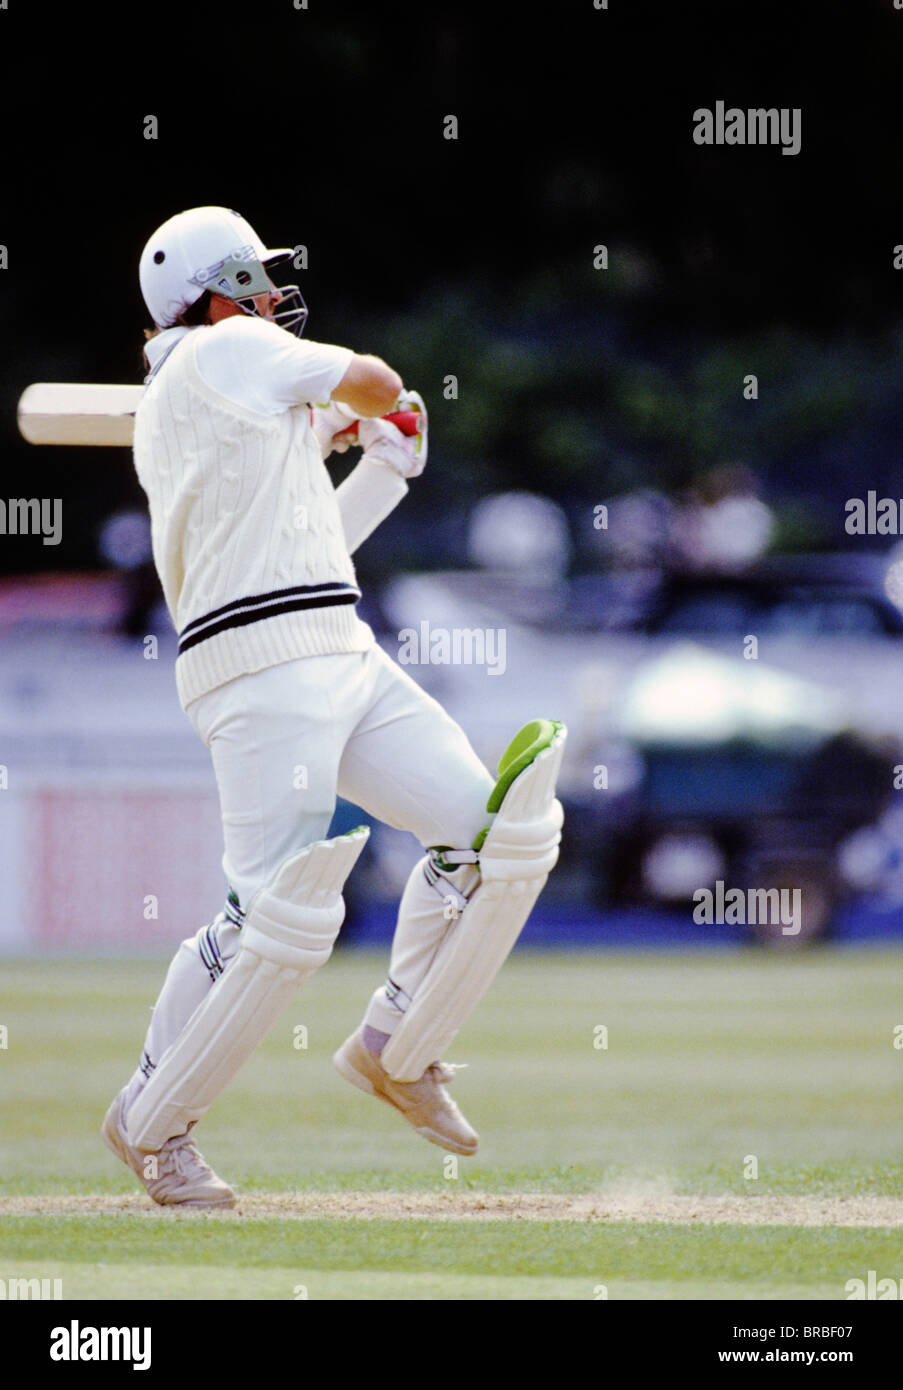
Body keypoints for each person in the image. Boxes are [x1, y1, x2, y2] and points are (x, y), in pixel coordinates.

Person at [101, 206, 565, 1208]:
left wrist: (381, 460)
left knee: (497, 835)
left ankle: (398, 1045)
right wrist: (375, 405)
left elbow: (315, 549)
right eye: (256, 279)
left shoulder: (227, 396)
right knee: (274, 916)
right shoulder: (230, 352)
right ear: (218, 293)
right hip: (260, 673)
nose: (273, 295)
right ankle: (151, 1121)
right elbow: (377, 377)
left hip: (335, 643)